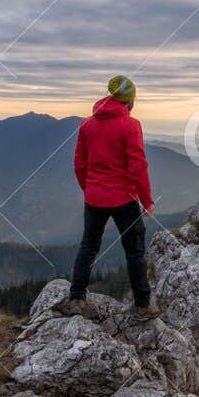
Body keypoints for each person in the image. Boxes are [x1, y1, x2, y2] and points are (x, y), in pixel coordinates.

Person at [58, 75, 159, 319]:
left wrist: (90, 189)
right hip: (124, 199)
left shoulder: (87, 125)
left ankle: (77, 298)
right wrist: (146, 200)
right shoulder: (130, 126)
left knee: (89, 246)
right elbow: (137, 166)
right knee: (134, 251)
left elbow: (79, 164)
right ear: (129, 101)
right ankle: (143, 305)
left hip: (94, 198)